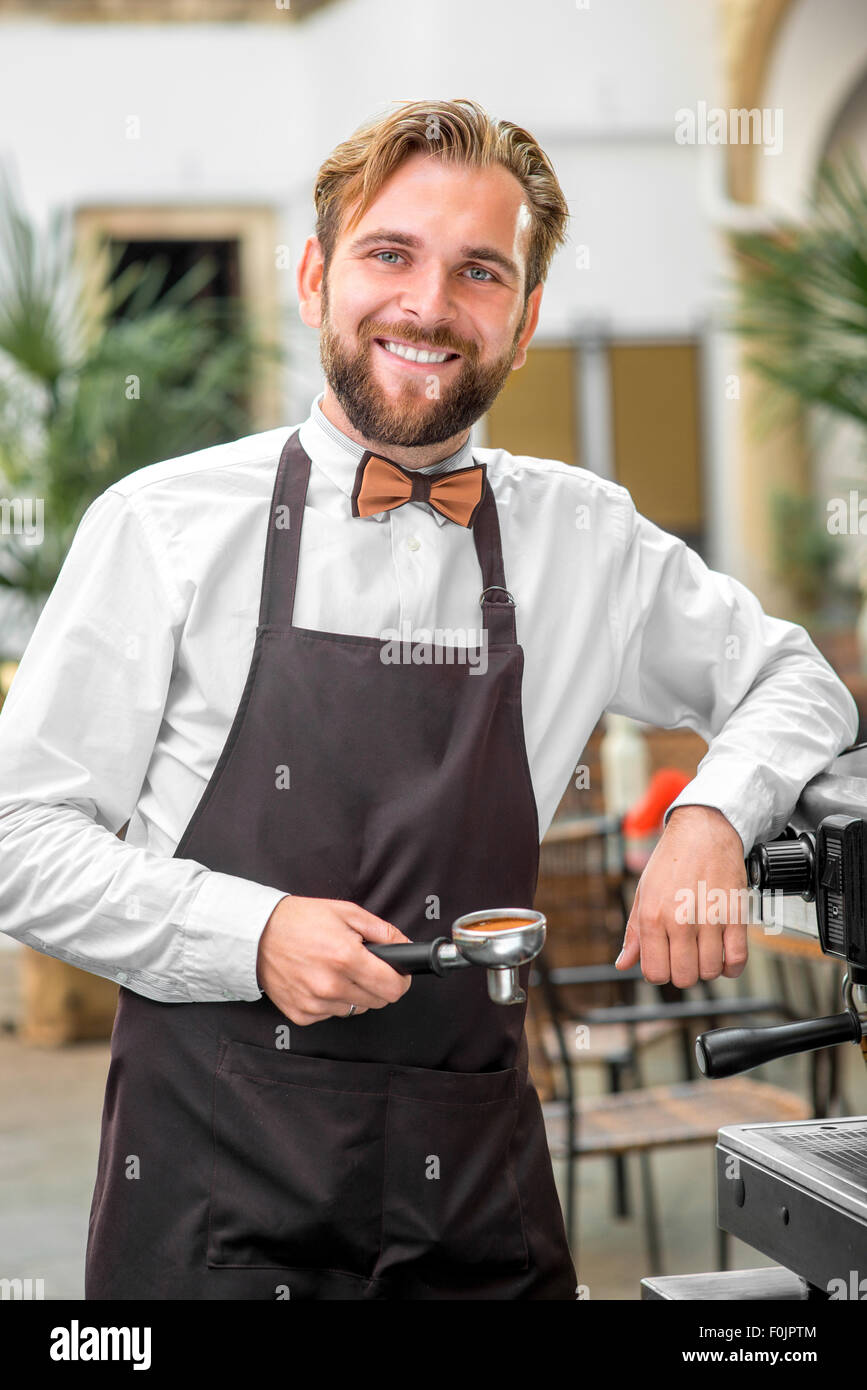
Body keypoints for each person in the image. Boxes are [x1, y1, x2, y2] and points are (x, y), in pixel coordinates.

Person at [0, 98, 858, 1301]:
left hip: (479, 1211)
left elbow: (794, 678)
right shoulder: (161, 525)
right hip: (208, 1202)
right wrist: (247, 933)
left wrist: (714, 810)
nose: (428, 304)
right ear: (314, 276)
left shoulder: (582, 538)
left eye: (479, 271)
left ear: (524, 318)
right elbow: (19, 842)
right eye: (389, 253)